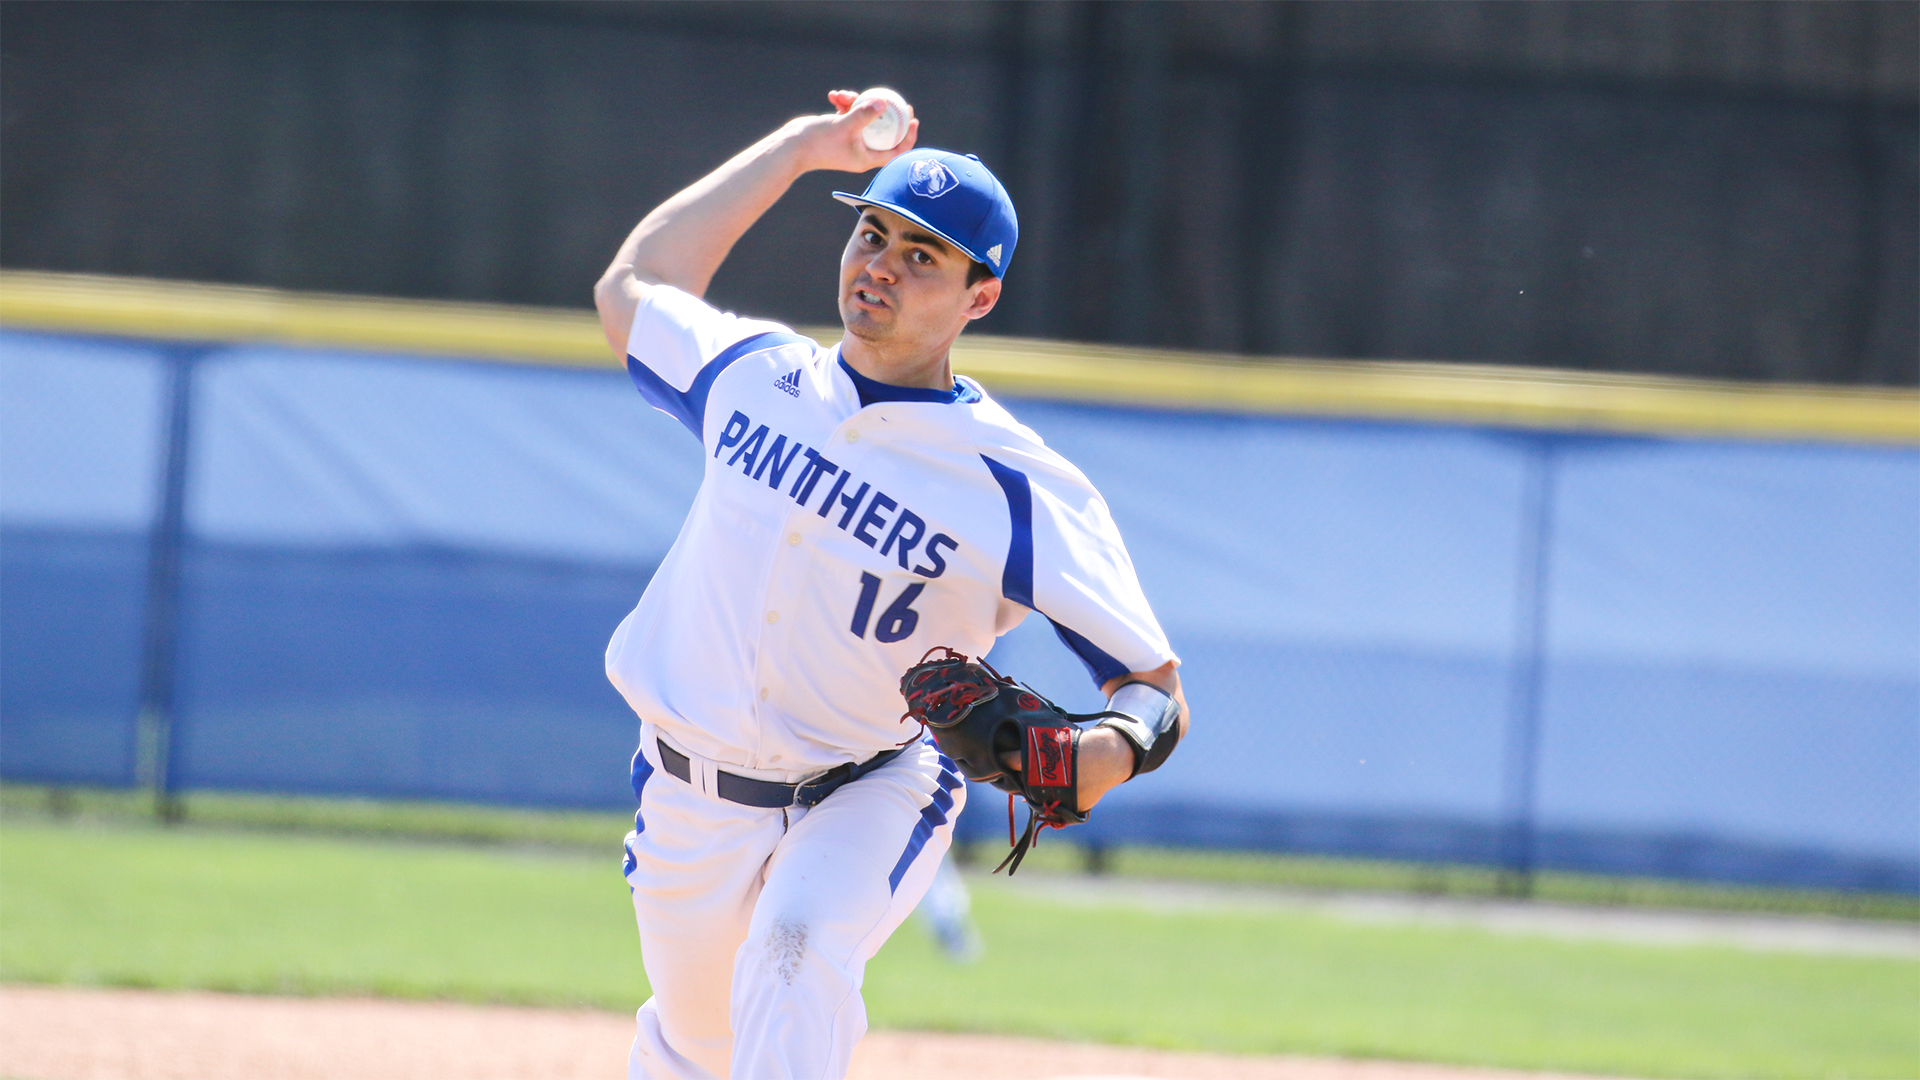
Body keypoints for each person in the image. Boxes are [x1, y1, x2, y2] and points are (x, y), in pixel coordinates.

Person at [594, 88, 1190, 1080]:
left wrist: (1105, 752)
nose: (882, 265)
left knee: (794, 957)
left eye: (924, 256)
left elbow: (1153, 692)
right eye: (872, 234)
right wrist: (796, 150)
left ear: (979, 297)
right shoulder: (753, 374)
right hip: (688, 795)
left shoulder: (1015, 483)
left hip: (872, 782)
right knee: (698, 1049)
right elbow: (637, 282)